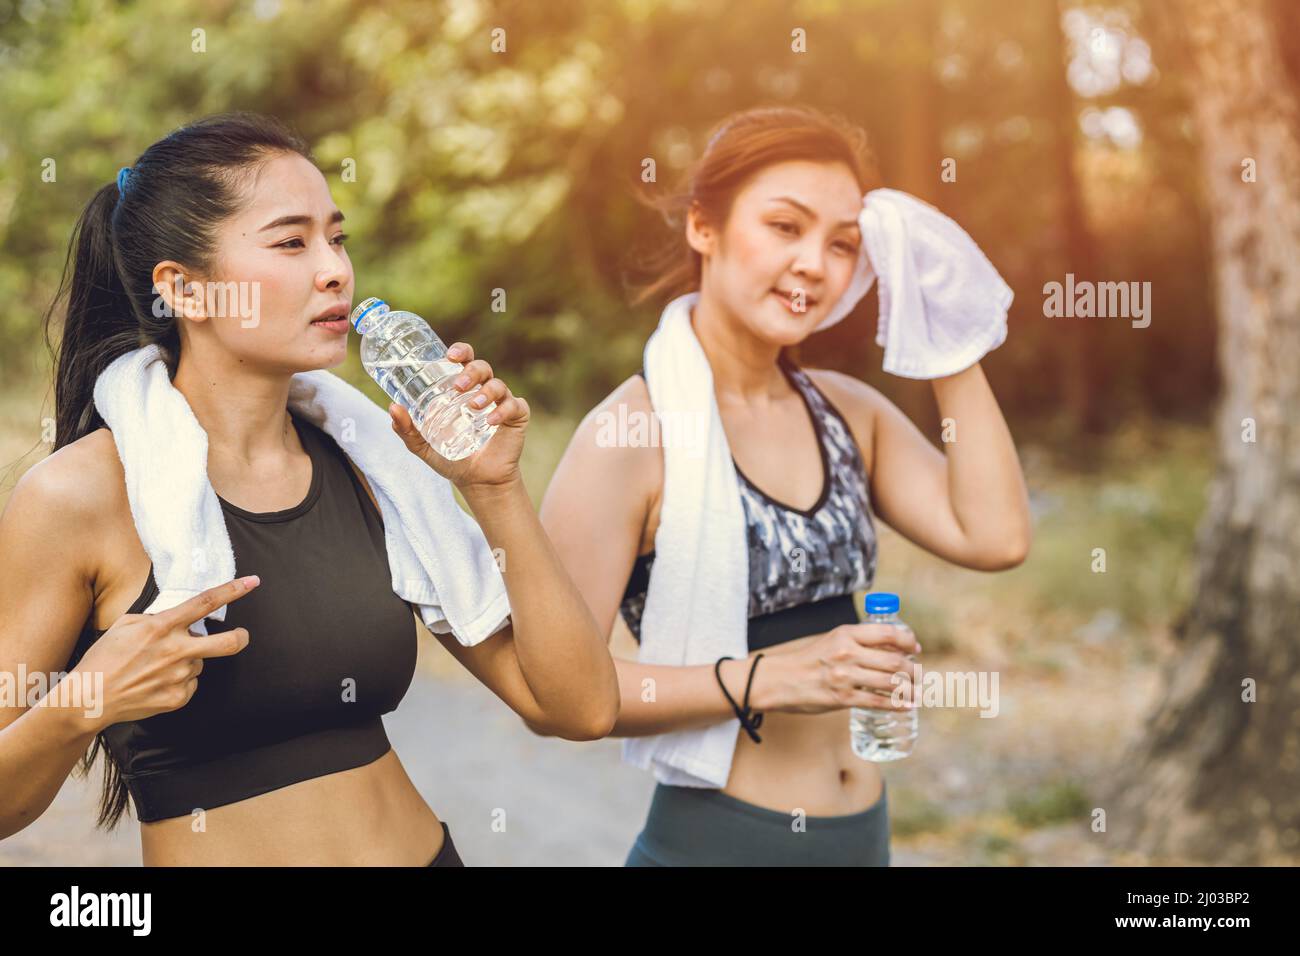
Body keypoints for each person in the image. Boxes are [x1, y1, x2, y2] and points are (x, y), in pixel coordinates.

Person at [0, 112, 619, 865]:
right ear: (185, 290)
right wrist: (83, 700)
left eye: (337, 238)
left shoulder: (370, 465)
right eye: (291, 242)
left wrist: (494, 489)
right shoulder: (77, 497)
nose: (334, 270)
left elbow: (579, 708)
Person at [538, 105, 1032, 866]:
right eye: (784, 226)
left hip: (864, 839)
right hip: (718, 845)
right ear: (704, 226)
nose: (814, 264)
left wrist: (947, 330)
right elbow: (562, 698)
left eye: (842, 245)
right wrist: (773, 677)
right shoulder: (629, 437)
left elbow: (995, 537)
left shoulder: (847, 412)